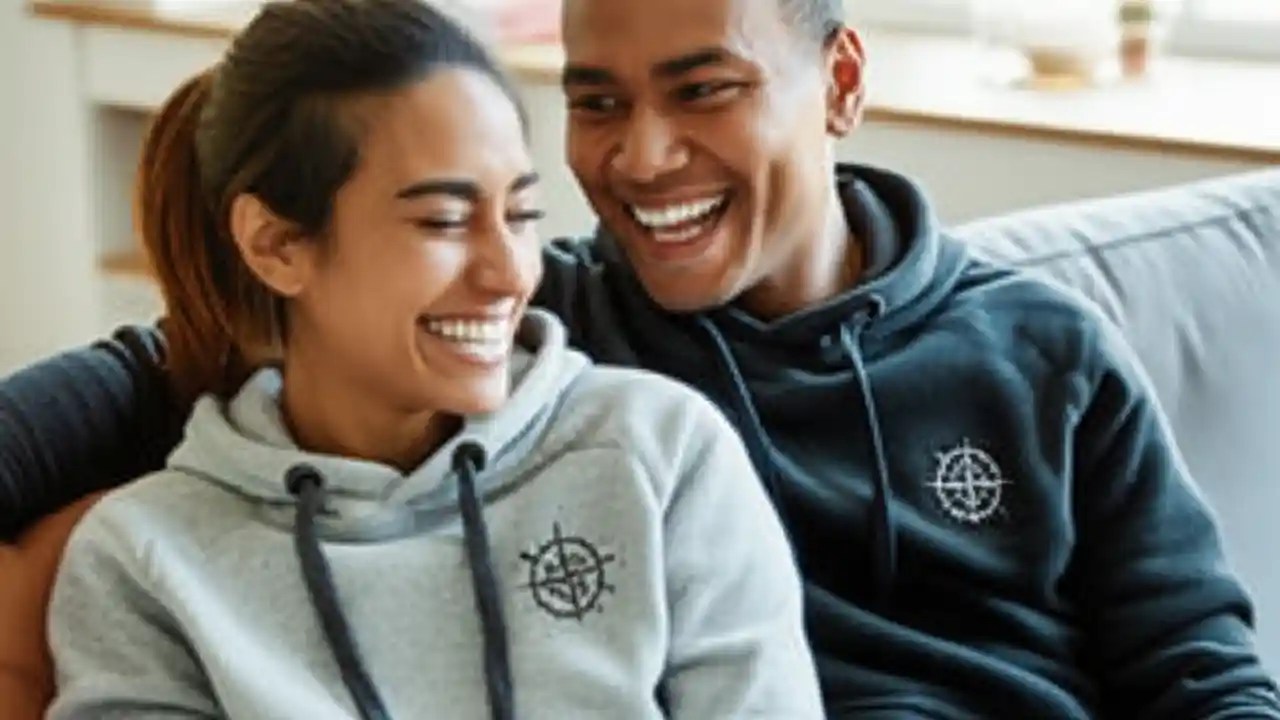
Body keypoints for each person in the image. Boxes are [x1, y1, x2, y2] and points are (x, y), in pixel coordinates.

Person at [2, 0, 1277, 717]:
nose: (640, 157)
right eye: (596, 100)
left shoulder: (1041, 350)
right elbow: (175, 364)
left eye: (703, 89)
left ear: (836, 82)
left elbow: (1201, 675)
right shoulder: (526, 327)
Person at [35, 1, 825, 718]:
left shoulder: (661, 455)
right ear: (276, 246)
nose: (512, 273)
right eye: (445, 222)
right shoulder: (143, 562)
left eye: (519, 214)